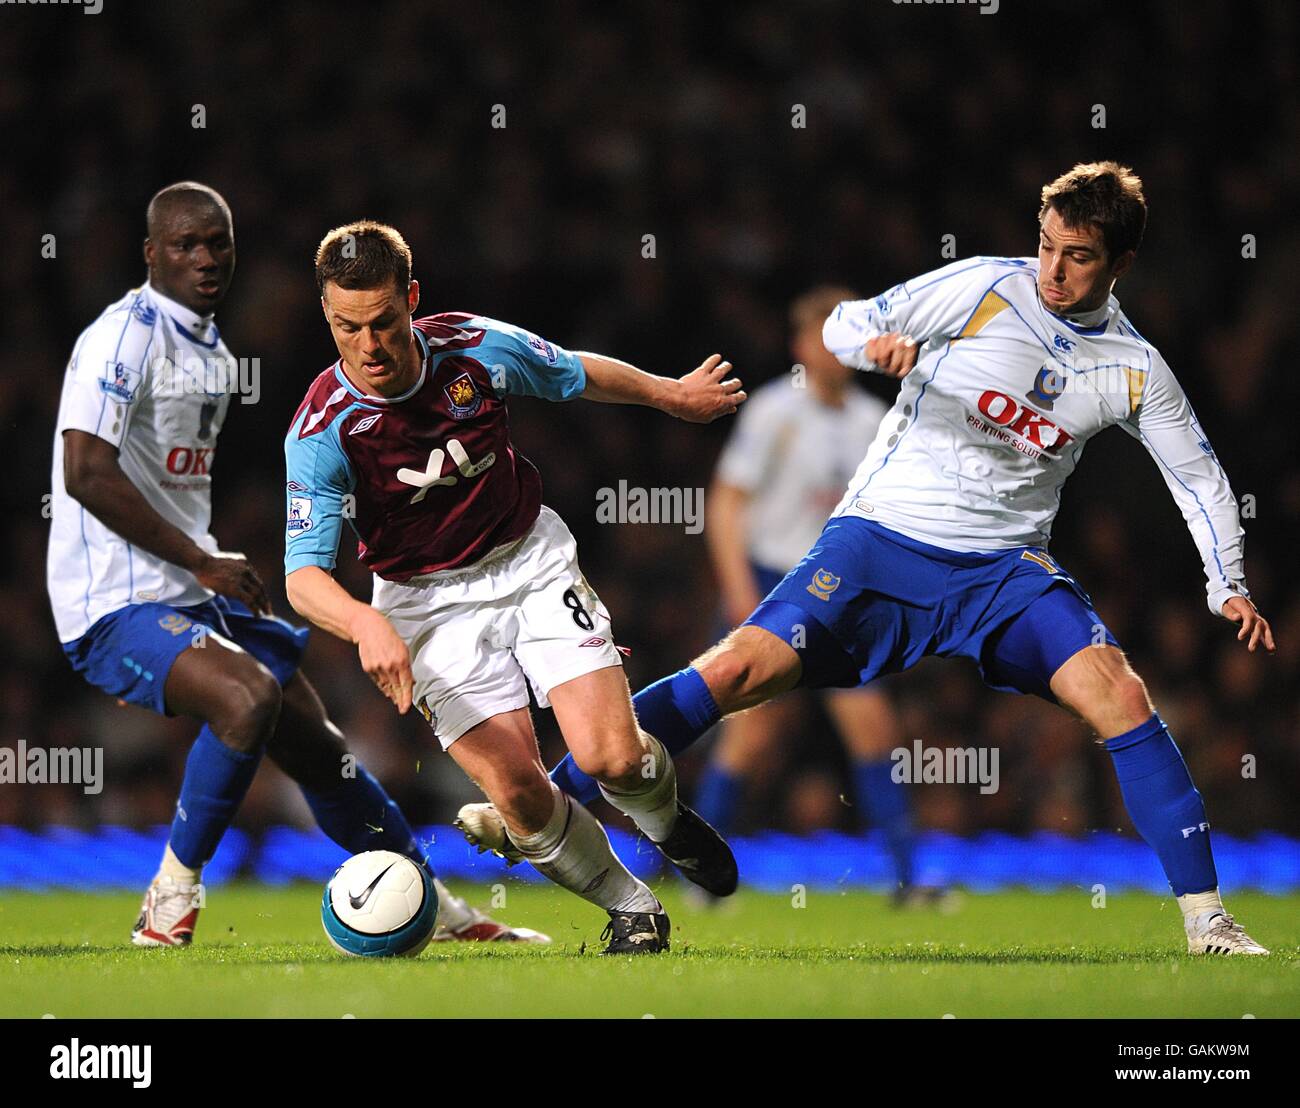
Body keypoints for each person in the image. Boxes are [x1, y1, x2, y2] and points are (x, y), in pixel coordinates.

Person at [486, 162, 1275, 956]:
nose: (1054, 270)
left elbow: (1199, 477)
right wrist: (877, 345)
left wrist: (1228, 585)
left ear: (1121, 265)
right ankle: (540, 804)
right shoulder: (980, 289)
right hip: (878, 544)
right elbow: (842, 326)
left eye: (1078, 256)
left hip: (1003, 573)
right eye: (1046, 246)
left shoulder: (1134, 369)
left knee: (1119, 692)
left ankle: (1209, 919)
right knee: (733, 676)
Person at [48, 182, 545, 947]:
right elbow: (85, 471)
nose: (205, 258)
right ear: (151, 254)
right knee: (246, 699)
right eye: (185, 244)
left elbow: (167, 485)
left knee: (320, 747)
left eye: (218, 242)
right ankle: (169, 902)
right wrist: (178, 591)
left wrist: (184, 621)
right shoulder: (123, 338)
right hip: (117, 597)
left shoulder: (209, 351)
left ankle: (433, 908)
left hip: (183, 590)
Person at [283, 221, 743, 954]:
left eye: (383, 322)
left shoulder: (473, 348)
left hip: (528, 562)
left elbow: (574, 371)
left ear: (412, 299)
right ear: (326, 317)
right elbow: (302, 576)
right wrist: (366, 625)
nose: (369, 346)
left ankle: (665, 822)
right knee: (520, 793)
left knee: (612, 761)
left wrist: (670, 395)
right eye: (347, 327)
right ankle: (633, 908)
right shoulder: (323, 430)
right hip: (423, 606)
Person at [694, 285, 930, 900]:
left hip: (837, 594)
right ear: (802, 345)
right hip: (773, 585)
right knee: (752, 736)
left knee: (874, 728)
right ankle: (698, 877)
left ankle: (907, 883)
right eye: (824, 335)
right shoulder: (775, 411)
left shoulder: (873, 420)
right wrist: (740, 591)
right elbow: (725, 504)